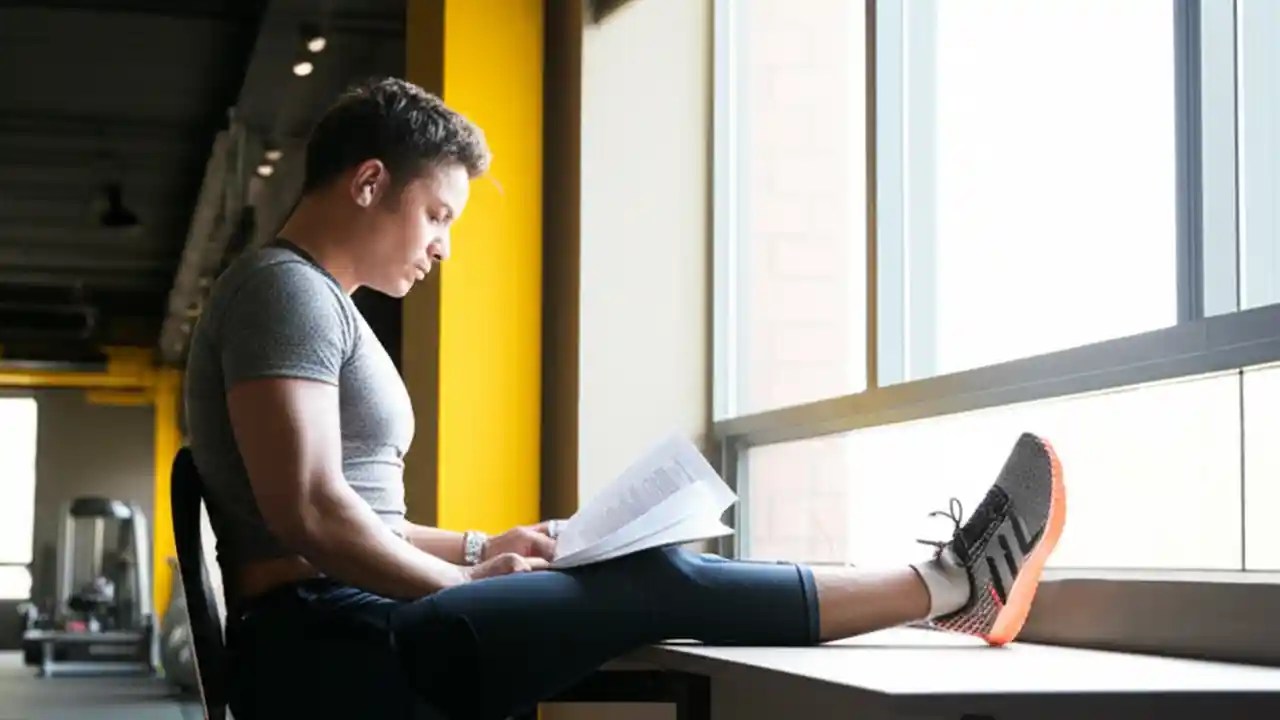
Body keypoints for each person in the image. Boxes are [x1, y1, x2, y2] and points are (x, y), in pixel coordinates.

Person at [183, 77, 1067, 720]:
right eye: (438, 215)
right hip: (329, 639)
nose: (443, 246)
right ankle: (951, 584)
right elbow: (306, 509)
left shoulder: (315, 303)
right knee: (654, 577)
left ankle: (943, 586)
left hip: (352, 613)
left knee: (630, 563)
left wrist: (490, 545)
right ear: (370, 183)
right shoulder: (284, 292)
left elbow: (358, 512)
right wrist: (457, 583)